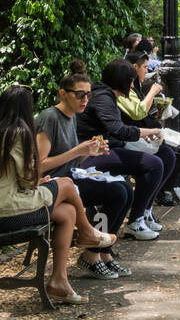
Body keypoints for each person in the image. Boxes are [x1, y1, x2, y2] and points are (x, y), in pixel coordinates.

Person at [0, 84, 115, 305]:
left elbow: (10, 177)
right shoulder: (18, 133)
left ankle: (59, 281)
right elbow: (28, 179)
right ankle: (87, 233)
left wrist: (38, 181)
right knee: (65, 184)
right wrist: (39, 180)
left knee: (66, 212)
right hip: (4, 215)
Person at [35, 63, 132, 280]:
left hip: (70, 178)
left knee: (125, 189)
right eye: (80, 95)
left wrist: (91, 152)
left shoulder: (72, 116)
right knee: (118, 192)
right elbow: (40, 165)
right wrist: (77, 151)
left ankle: (103, 254)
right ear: (63, 93)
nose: (85, 100)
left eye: (88, 95)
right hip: (55, 183)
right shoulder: (50, 118)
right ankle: (92, 255)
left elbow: (72, 158)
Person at [74, 60, 173, 240]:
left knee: (164, 155)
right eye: (131, 81)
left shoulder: (107, 95)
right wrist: (150, 131)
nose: (133, 85)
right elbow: (119, 130)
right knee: (152, 165)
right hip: (91, 155)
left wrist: (146, 133)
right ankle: (134, 222)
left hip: (108, 148)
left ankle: (143, 213)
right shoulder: (103, 98)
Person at [125, 51, 180, 206]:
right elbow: (137, 114)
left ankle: (174, 185)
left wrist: (157, 112)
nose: (146, 71)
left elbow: (143, 113)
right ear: (134, 67)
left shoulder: (137, 85)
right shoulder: (127, 89)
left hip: (152, 131)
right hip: (142, 137)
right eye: (144, 67)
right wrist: (152, 92)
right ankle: (163, 190)